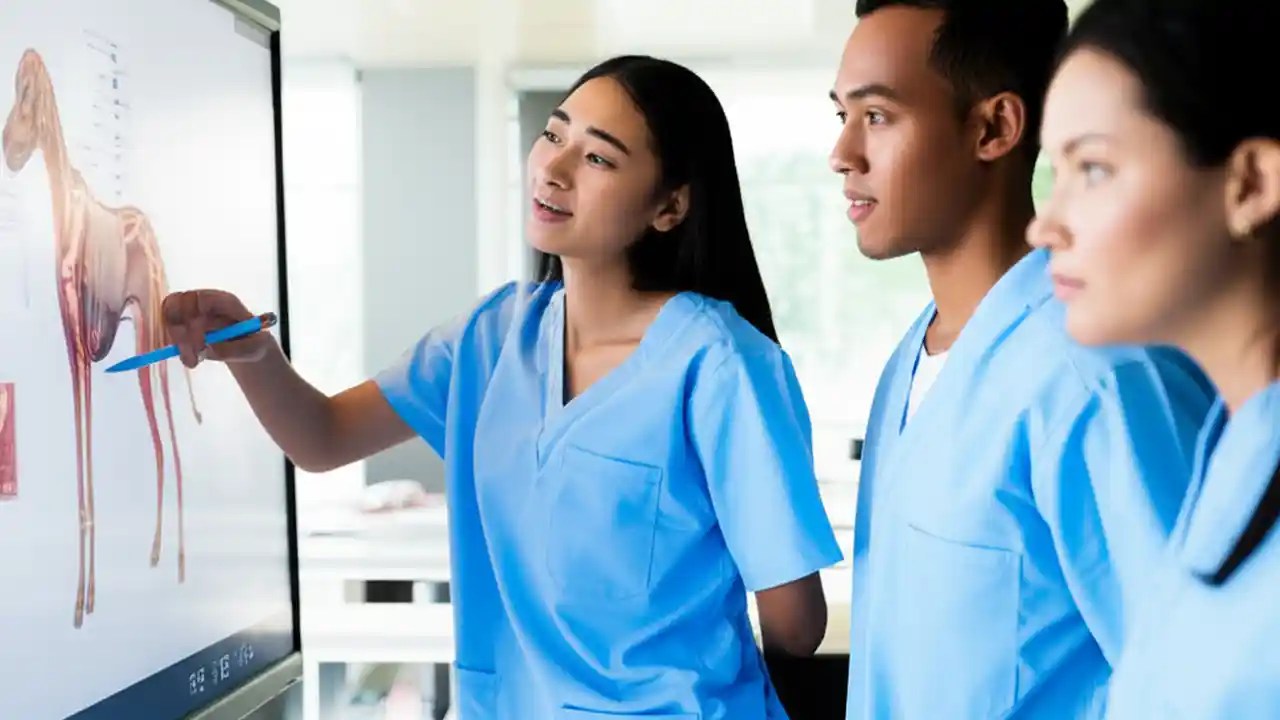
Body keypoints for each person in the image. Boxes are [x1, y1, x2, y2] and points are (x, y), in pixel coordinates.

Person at [163, 55, 843, 718]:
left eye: (598, 157)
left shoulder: (719, 364)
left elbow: (795, 625)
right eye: (554, 134)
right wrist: (253, 353)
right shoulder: (490, 337)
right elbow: (324, 437)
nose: (553, 167)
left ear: (670, 206)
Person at [827, 1, 1216, 717]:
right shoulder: (914, 360)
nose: (843, 154)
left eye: (876, 116)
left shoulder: (1095, 373)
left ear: (994, 127)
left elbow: (1200, 680)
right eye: (840, 117)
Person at [1030, 1, 1280, 716]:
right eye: (1057, 171)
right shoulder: (1230, 445)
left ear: (1252, 183)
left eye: (1095, 169)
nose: (1044, 222)